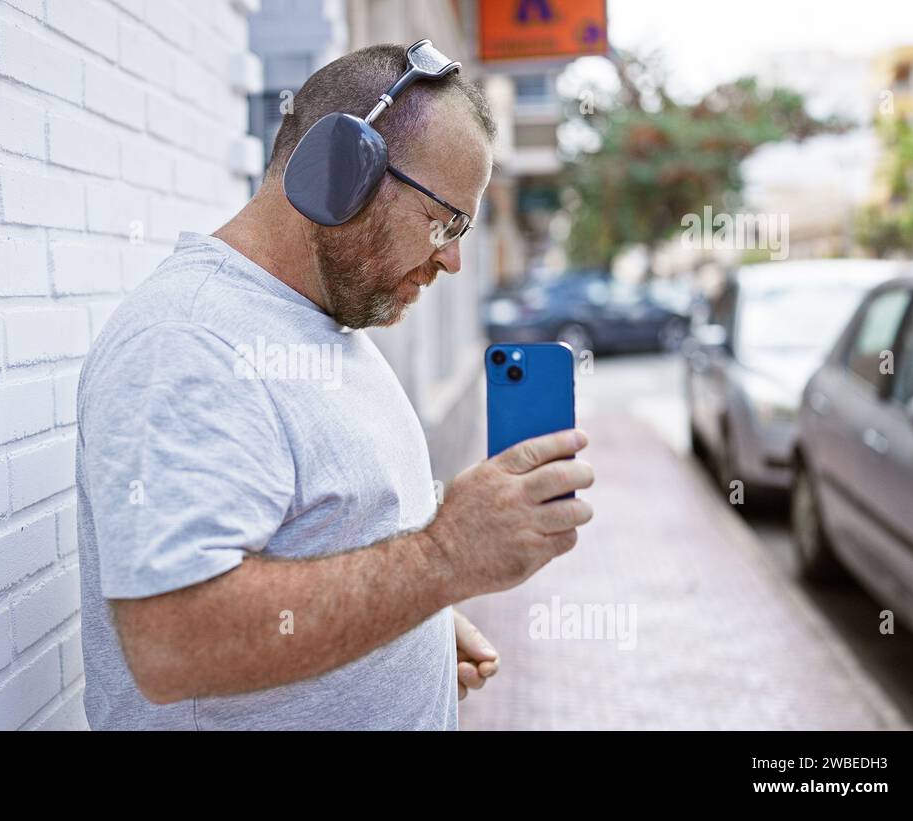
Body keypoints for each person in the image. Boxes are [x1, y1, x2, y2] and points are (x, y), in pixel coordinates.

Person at [74, 43, 595, 730]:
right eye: (445, 219)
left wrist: (415, 624)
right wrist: (442, 561)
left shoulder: (320, 320)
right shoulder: (190, 341)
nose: (453, 258)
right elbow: (173, 640)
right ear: (343, 168)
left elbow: (332, 535)